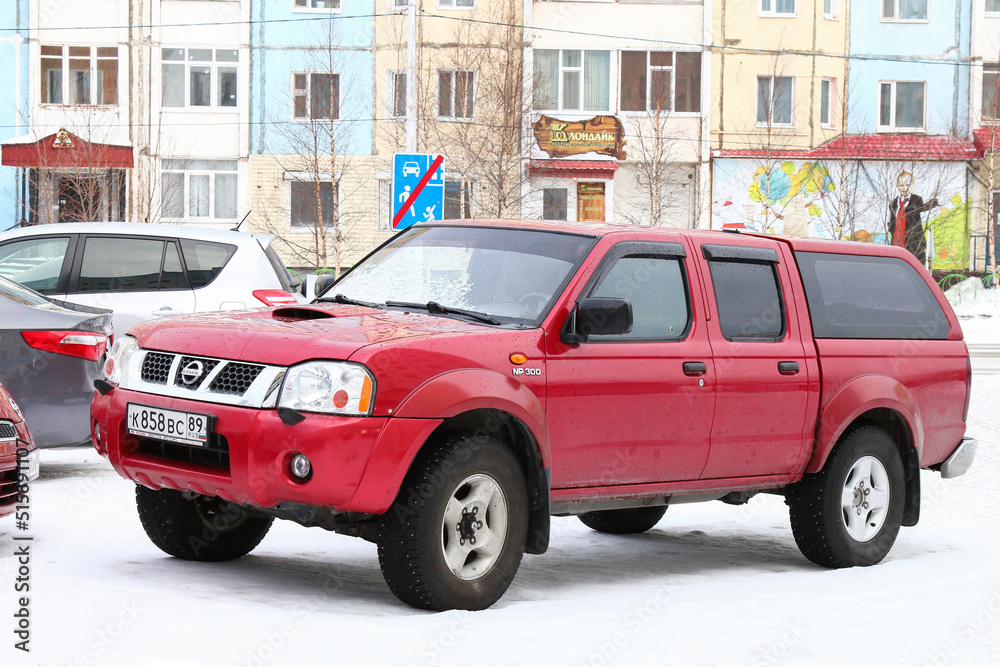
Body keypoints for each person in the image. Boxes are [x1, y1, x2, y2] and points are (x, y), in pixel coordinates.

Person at [888, 171, 937, 264]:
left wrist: (933, 202)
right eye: (901, 185)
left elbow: (921, 208)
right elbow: (892, 221)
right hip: (897, 240)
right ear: (897, 186)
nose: (904, 188)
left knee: (913, 263)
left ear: (912, 185)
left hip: (913, 241)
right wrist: (892, 230)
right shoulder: (893, 203)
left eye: (907, 185)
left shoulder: (916, 200)